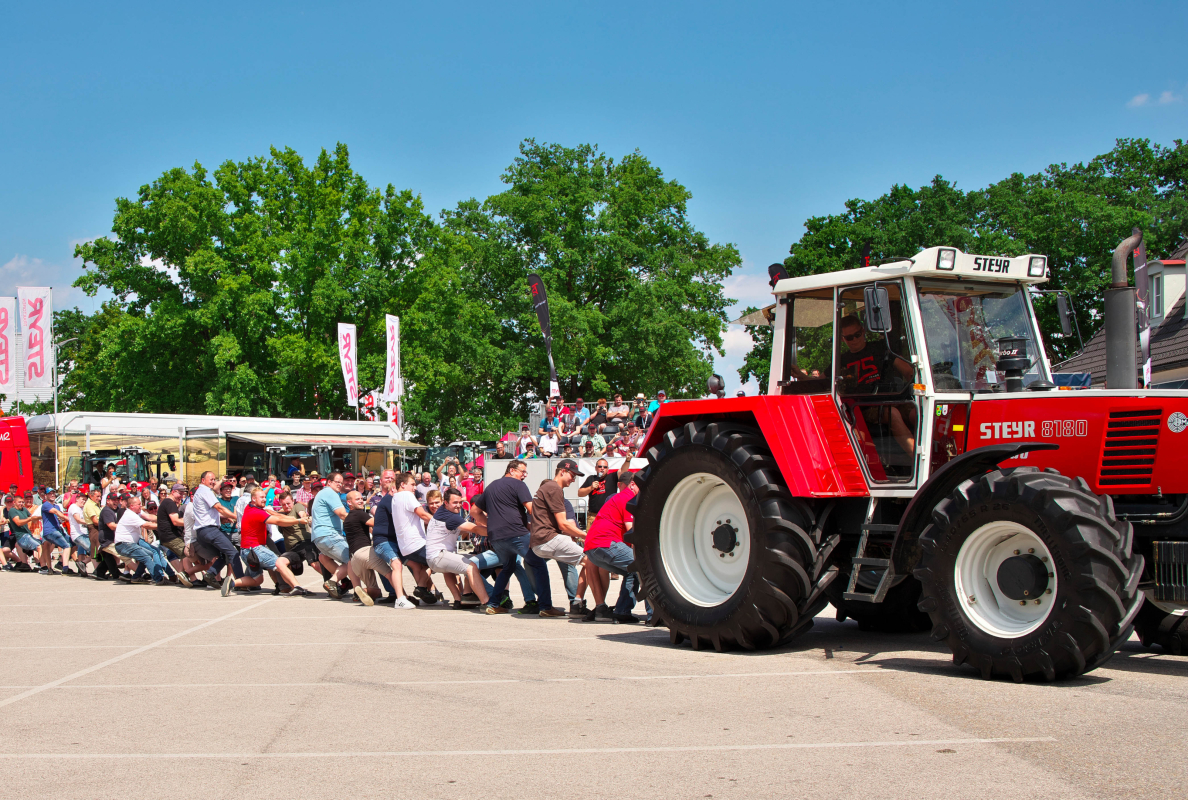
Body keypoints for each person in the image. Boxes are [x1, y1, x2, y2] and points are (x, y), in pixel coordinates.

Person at [470, 459, 549, 615]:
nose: (524, 475)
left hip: (497, 537)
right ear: (512, 470)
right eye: (522, 471)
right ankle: (546, 607)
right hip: (516, 534)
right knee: (538, 563)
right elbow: (532, 509)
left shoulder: (491, 486)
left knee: (508, 568)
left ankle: (493, 604)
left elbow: (473, 512)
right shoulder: (518, 485)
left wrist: (491, 524)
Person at [836, 313, 916, 454]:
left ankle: (940, 457)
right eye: (849, 337)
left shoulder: (882, 349)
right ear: (842, 339)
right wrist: (798, 375)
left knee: (917, 412)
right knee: (893, 414)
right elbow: (822, 381)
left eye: (857, 334)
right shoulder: (841, 360)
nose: (854, 340)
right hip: (863, 407)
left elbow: (908, 371)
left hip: (892, 399)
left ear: (863, 331)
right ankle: (919, 464)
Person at [528, 460, 589, 618]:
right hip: (548, 539)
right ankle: (580, 604)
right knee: (592, 561)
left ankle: (545, 605)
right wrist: (587, 536)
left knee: (536, 565)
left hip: (539, 542)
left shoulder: (548, 488)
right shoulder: (554, 488)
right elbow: (564, 524)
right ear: (562, 471)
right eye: (572, 475)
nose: (573, 479)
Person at [582, 468, 644, 623]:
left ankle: (622, 611)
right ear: (632, 485)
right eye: (640, 486)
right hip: (606, 543)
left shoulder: (617, 498)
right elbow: (633, 531)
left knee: (632, 571)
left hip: (592, 547)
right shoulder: (629, 498)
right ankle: (650, 613)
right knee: (644, 565)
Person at [236, 487, 310, 596]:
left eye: (264, 497)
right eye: (261, 497)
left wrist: (295, 519)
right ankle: (296, 586)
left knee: (258, 580)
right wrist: (298, 520)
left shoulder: (249, 508)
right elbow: (278, 521)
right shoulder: (257, 512)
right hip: (255, 549)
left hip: (245, 551)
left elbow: (278, 516)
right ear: (253, 499)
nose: (264, 499)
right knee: (279, 563)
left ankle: (232, 583)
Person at [426, 487, 491, 608]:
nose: (459, 505)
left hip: (435, 557)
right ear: (446, 503)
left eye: (460, 502)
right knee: (472, 566)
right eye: (455, 502)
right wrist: (496, 531)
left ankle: (459, 599)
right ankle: (487, 602)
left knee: (466, 561)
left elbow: (458, 532)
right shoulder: (451, 517)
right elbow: (475, 529)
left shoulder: (443, 512)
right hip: (438, 556)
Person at [370, 469, 417, 609]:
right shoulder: (390, 500)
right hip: (383, 542)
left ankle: (429, 592)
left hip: (394, 542)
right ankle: (400, 599)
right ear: (394, 490)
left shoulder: (392, 499)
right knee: (396, 564)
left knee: (416, 564)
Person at [192, 470, 243, 596]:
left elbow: (206, 512)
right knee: (233, 552)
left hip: (202, 532)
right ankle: (243, 582)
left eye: (214, 479)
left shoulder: (199, 492)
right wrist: (237, 518)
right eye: (211, 479)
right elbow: (219, 507)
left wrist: (221, 518)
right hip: (210, 530)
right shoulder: (205, 491)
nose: (213, 481)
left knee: (223, 555)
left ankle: (211, 574)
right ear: (203, 480)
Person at [390, 472, 438, 605]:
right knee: (440, 558)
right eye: (412, 484)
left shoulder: (395, 498)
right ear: (402, 485)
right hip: (416, 543)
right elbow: (422, 514)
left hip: (406, 547)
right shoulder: (407, 495)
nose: (415, 488)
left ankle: (427, 595)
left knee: (423, 566)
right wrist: (442, 522)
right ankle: (422, 588)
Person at [113, 496, 173, 585]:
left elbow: (148, 516)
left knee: (149, 554)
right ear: (132, 506)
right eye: (139, 504)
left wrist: (166, 519)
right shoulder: (130, 515)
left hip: (129, 543)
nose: (141, 506)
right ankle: (159, 579)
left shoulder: (135, 512)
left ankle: (136, 577)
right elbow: (146, 525)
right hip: (124, 544)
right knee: (146, 557)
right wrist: (165, 525)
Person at [156, 484, 195, 587]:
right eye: (179, 493)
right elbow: (176, 521)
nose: (181, 496)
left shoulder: (167, 502)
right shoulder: (170, 503)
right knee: (186, 552)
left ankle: (181, 577)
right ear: (173, 492)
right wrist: (191, 521)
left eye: (183, 494)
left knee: (184, 554)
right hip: (170, 536)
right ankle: (192, 578)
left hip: (167, 536)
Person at [38, 488, 73, 574]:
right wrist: (66, 518)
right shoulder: (46, 505)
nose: (52, 495)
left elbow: (58, 518)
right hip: (50, 531)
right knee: (66, 546)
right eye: (50, 493)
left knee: (73, 543)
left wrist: (63, 519)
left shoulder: (57, 506)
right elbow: (56, 512)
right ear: (46, 496)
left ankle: (60, 563)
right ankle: (63, 568)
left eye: (53, 493)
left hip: (57, 529)